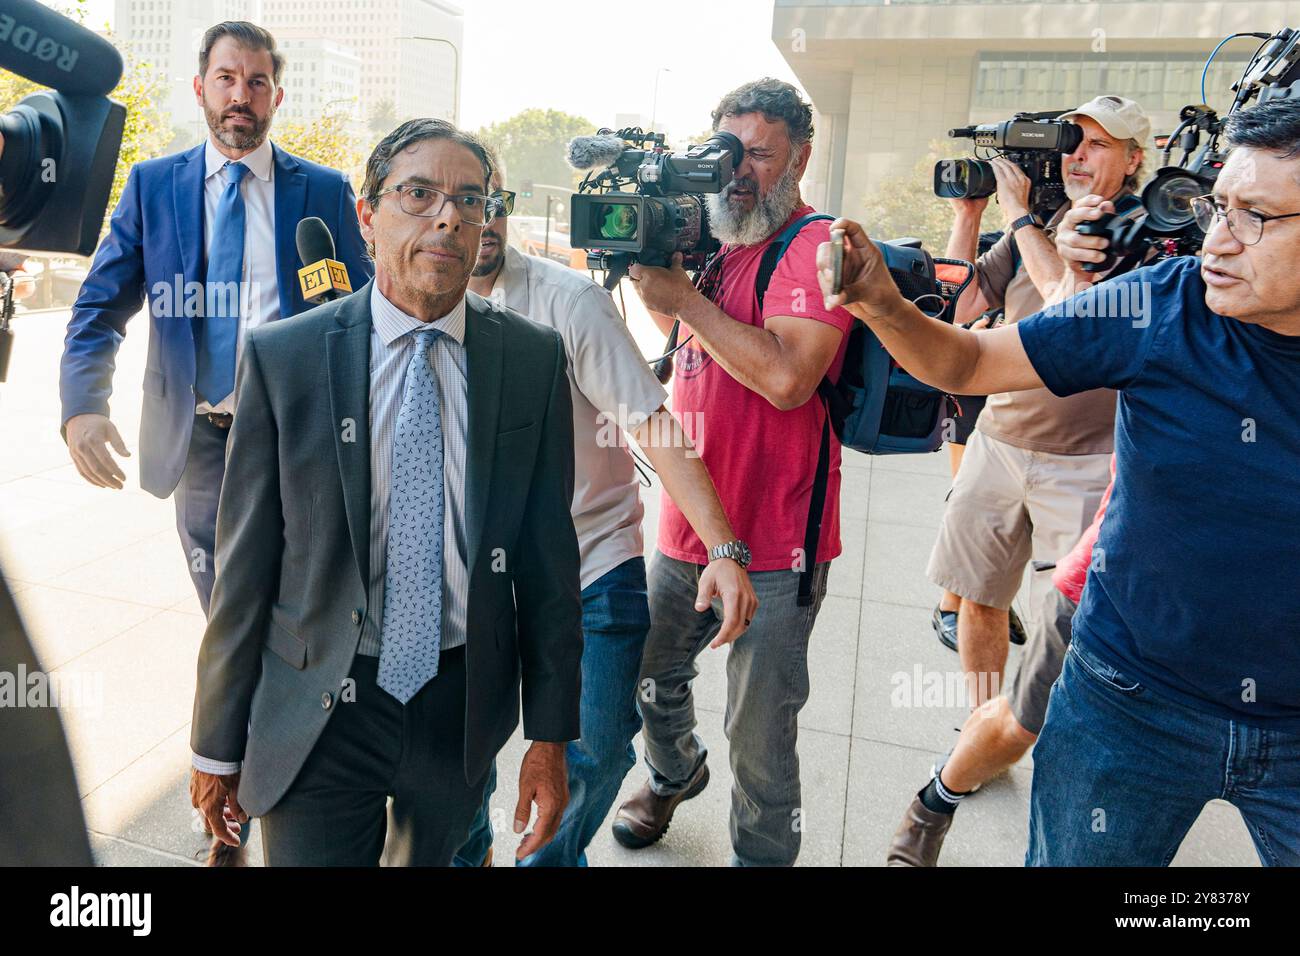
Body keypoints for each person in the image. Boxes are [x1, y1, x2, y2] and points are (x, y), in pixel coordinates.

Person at [820, 95, 1300, 866]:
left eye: (1256, 217)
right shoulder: (1161, 304)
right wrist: (881, 302)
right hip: (1128, 698)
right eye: (1218, 207)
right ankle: (943, 787)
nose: (1218, 239)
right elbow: (970, 360)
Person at [188, 119, 584, 866]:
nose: (449, 217)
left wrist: (550, 736)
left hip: (460, 708)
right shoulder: (285, 358)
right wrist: (215, 743)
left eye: (472, 200)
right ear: (368, 216)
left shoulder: (531, 360)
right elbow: (242, 569)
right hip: (320, 706)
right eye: (419, 193)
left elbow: (548, 566)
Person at [452, 162, 756, 867]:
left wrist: (723, 549)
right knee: (455, 762)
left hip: (592, 566)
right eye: (459, 202)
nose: (479, 217)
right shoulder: (415, 309)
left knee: (594, 751)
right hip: (473, 581)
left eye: (490, 199)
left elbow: (654, 427)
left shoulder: (570, 303)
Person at [613, 78, 853, 866]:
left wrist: (687, 298)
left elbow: (788, 379)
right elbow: (685, 337)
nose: (736, 170)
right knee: (651, 679)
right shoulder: (716, 236)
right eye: (726, 150)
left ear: (801, 156)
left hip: (779, 537)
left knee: (759, 734)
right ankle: (674, 772)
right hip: (689, 521)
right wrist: (660, 281)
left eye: (757, 152)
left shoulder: (817, 247)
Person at [59, 21, 371, 615]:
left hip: (294, 438)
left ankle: (262, 706)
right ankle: (247, 706)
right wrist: (82, 405)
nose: (239, 96)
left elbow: (364, 319)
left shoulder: (326, 192)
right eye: (226, 79)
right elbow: (99, 306)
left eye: (257, 82)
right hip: (199, 437)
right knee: (222, 609)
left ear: (277, 96)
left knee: (294, 610)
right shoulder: (152, 185)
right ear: (201, 87)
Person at [926, 95, 1149, 707]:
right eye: (1072, 141)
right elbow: (960, 306)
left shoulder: (1140, 230)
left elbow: (1071, 312)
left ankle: (1046, 736)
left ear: (1133, 161)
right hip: (997, 441)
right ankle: (980, 725)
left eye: (1099, 145)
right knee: (978, 596)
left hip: (1085, 460)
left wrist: (1019, 216)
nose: (1078, 155)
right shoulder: (1041, 226)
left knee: (1066, 621)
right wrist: (971, 216)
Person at [888, 458, 1113, 865]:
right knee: (1021, 721)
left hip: (1090, 456)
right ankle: (935, 803)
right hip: (1105, 585)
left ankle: (950, 788)